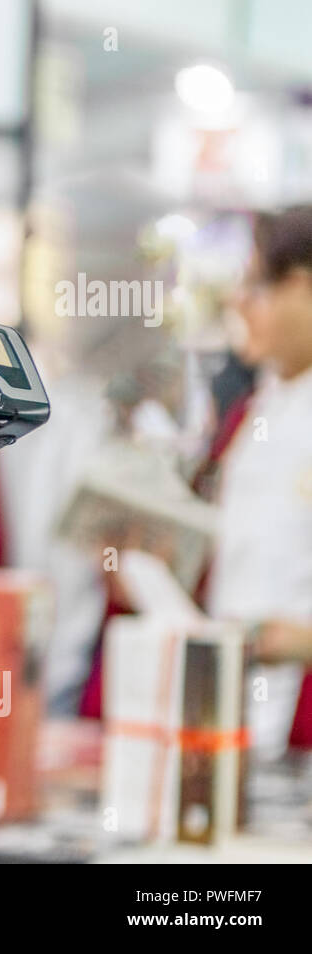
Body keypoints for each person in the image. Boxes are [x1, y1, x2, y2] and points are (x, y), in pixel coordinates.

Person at [208, 207, 312, 751]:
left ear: (299, 288)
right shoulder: (257, 408)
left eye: (252, 286)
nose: (238, 304)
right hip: (241, 710)